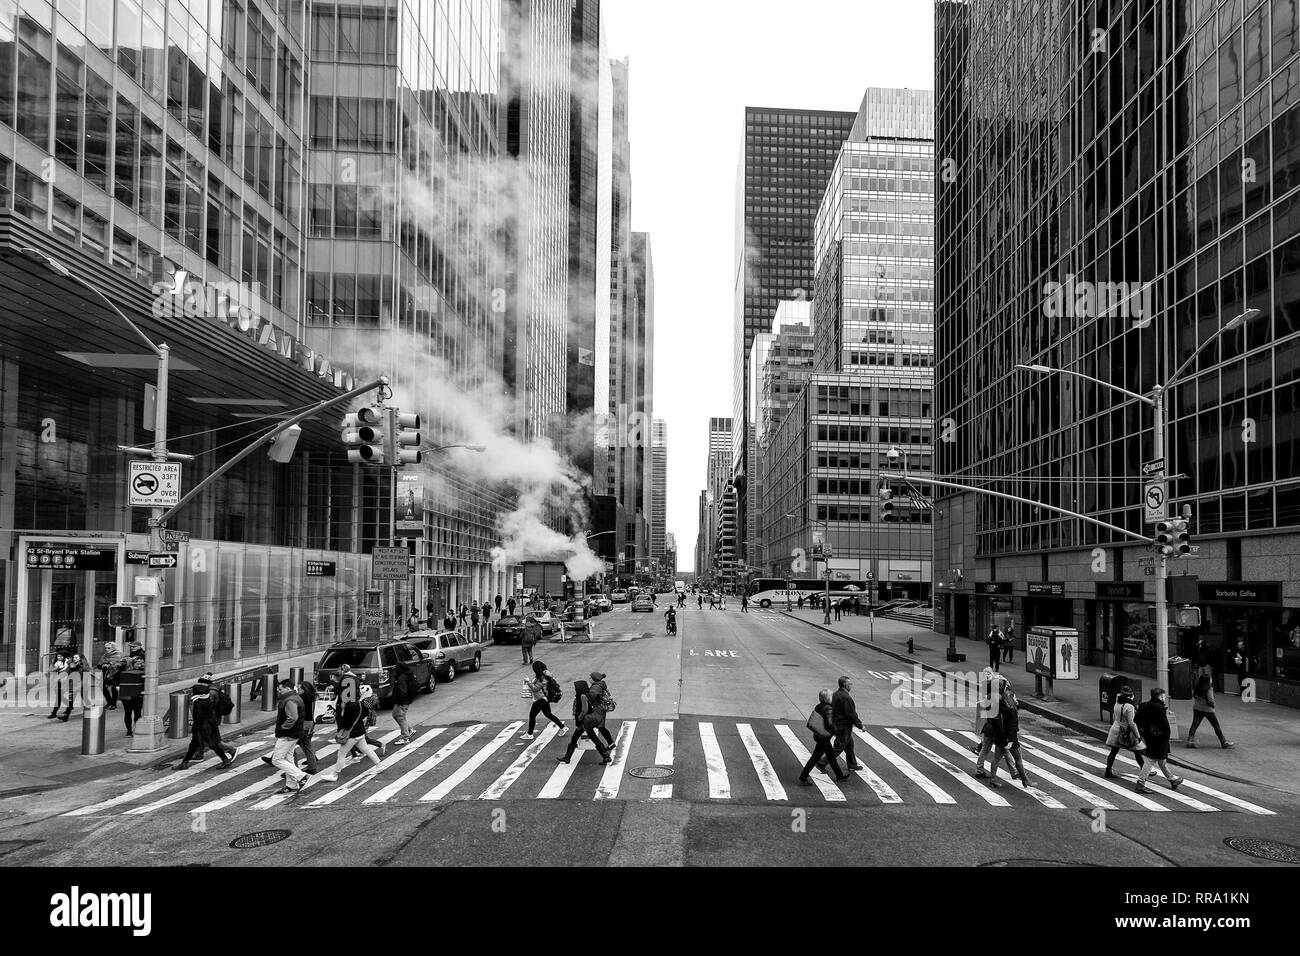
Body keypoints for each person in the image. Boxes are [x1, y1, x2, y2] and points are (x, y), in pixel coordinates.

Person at [321, 688, 385, 782]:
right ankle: (379, 765)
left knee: (342, 753)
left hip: (351, 733)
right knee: (366, 749)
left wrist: (342, 729)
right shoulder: (360, 703)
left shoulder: (347, 706)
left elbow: (344, 721)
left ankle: (335, 774)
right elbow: (365, 713)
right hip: (360, 730)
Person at [1134, 687, 1183, 793]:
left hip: (1149, 736)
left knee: (1161, 760)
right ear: (1160, 696)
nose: (1164, 698)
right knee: (1151, 759)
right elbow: (1165, 726)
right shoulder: (1160, 708)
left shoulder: (1144, 705)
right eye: (1164, 696)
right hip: (1160, 738)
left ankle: (1172, 780)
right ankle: (1140, 783)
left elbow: (1136, 719)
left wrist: (1146, 729)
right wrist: (1166, 737)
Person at [987, 678, 1032, 789]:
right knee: (1018, 758)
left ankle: (993, 779)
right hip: (1009, 735)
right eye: (1005, 686)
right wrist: (1010, 739)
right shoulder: (1005, 701)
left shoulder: (992, 699)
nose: (1007, 688)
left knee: (996, 758)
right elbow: (1011, 721)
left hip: (999, 734)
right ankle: (1025, 780)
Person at [181, 677, 235, 769]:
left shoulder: (199, 702)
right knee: (197, 745)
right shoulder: (206, 699)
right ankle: (185, 762)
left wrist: (195, 728)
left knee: (212, 745)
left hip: (203, 728)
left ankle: (225, 759)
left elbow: (198, 718)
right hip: (210, 725)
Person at [266, 680, 309, 793]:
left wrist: (283, 728)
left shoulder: (289, 700)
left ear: (288, 688)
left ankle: (301, 776)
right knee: (288, 758)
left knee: (276, 760)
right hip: (294, 733)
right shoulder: (295, 697)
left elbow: (293, 718)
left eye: (280, 689)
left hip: (288, 734)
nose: (278, 691)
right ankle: (292, 785)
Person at [799, 689, 849, 784]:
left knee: (831, 756)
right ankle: (803, 777)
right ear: (828, 698)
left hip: (818, 735)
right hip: (824, 737)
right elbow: (830, 723)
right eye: (831, 696)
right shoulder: (829, 709)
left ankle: (840, 776)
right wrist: (836, 731)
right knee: (815, 758)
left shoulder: (818, 706)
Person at [557, 680, 610, 764]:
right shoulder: (586, 694)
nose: (575, 689)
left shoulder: (582, 696)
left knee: (576, 738)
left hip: (584, 722)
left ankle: (567, 757)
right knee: (591, 738)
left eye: (576, 687)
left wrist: (579, 719)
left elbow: (584, 709)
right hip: (586, 722)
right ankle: (606, 756)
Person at [1188, 662, 1235, 749]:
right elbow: (1211, 699)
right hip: (1207, 709)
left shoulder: (1197, 687)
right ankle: (1223, 742)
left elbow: (1194, 696)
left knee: (1194, 724)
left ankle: (1190, 741)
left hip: (1197, 708)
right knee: (1216, 726)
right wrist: (1213, 705)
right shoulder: (1209, 688)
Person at [973, 668, 1008, 781]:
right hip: (994, 728)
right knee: (1005, 750)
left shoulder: (991, 692)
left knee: (986, 748)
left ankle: (979, 770)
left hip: (989, 727)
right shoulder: (997, 697)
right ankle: (1014, 772)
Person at [1103, 685, 1146, 777]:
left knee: (1114, 751)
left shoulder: (1117, 702)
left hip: (1116, 729)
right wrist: (1138, 736)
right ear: (1131, 696)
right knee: (1137, 751)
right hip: (1127, 732)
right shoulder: (1129, 706)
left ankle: (1108, 770)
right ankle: (1145, 771)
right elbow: (1131, 723)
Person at [521, 661, 566, 739]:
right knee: (548, 714)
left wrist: (528, 682)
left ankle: (530, 734)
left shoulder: (541, 678)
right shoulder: (546, 675)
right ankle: (563, 727)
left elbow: (535, 689)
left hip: (540, 699)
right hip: (544, 699)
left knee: (532, 716)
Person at [828, 676, 864, 772]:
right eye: (850, 684)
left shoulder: (836, 694)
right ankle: (822, 762)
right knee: (838, 747)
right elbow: (851, 714)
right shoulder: (846, 697)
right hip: (843, 726)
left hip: (836, 724)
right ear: (845, 685)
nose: (851, 686)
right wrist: (860, 725)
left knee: (849, 744)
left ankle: (852, 764)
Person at [390, 660, 417, 744]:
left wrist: (400, 701)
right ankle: (409, 730)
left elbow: (403, 691)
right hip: (405, 700)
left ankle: (405, 737)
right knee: (396, 715)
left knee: (399, 717)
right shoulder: (408, 674)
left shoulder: (402, 677)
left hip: (402, 701)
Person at [587, 671, 616, 749]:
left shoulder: (595, 687)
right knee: (600, 727)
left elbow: (590, 698)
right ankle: (611, 743)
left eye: (590, 677)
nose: (589, 679)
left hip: (597, 710)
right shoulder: (599, 685)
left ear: (594, 679)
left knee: (595, 727)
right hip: (600, 709)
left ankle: (606, 745)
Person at [97, 642, 122, 710]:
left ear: (113, 647)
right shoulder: (105, 655)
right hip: (105, 673)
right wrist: (103, 665)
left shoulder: (118, 654)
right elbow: (99, 664)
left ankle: (113, 704)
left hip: (114, 673)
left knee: (114, 688)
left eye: (108, 648)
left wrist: (107, 664)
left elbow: (119, 664)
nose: (106, 649)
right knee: (102, 687)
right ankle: (109, 702)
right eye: (105, 648)